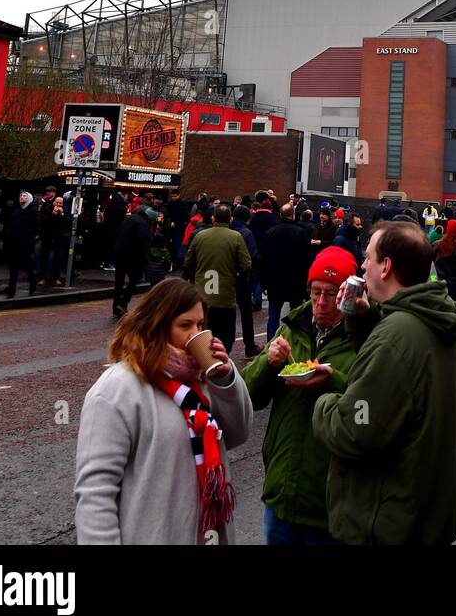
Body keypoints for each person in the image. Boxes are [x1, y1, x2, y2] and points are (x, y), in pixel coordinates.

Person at [311, 220, 456, 545]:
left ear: (386, 267)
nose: (363, 265)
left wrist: (323, 403)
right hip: (427, 513)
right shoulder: (437, 317)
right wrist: (364, 319)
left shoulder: (396, 336)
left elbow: (356, 429)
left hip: (387, 522)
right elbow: (405, 382)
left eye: (368, 257)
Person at [75, 278, 252, 545]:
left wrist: (224, 380)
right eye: (185, 325)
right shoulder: (115, 391)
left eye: (200, 325)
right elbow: (95, 493)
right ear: (157, 326)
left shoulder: (201, 379)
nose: (196, 334)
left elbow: (237, 434)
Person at [242, 247, 361, 544]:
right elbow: (248, 397)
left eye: (331, 294)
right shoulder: (291, 328)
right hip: (281, 493)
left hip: (329, 502)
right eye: (315, 292)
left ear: (347, 294)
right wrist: (269, 363)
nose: (321, 302)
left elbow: (368, 410)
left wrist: (331, 379)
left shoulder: (362, 338)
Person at [183, 204, 252, 353]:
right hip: (225, 296)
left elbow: (188, 263)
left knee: (204, 333)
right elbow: (246, 266)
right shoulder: (236, 237)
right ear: (230, 219)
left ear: (213, 218)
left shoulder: (200, 236)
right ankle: (221, 362)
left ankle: (205, 361)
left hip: (202, 296)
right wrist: (239, 278)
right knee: (226, 335)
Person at [260, 203, 311, 340]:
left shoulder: (270, 233)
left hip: (274, 281)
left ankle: (271, 343)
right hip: (295, 281)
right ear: (293, 215)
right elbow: (305, 258)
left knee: (273, 316)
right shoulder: (300, 233)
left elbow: (263, 259)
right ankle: (295, 342)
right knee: (296, 316)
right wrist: (306, 280)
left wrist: (263, 282)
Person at [112, 203, 154, 318]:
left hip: (119, 253)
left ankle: (115, 308)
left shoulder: (127, 218)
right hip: (133, 256)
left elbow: (117, 233)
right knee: (135, 279)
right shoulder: (144, 224)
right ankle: (123, 303)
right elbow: (142, 242)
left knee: (119, 281)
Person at [230, 203, 260, 359]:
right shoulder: (246, 233)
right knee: (246, 313)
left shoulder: (227, 230)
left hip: (225, 277)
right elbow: (252, 256)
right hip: (241, 278)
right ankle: (249, 346)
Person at [1, 191, 39, 299]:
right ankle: (11, 288)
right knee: (13, 266)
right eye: (21, 196)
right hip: (14, 242)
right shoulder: (17, 210)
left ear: (29, 198)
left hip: (25, 243)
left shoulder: (32, 211)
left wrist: (27, 236)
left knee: (27, 265)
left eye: (24, 196)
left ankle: (33, 282)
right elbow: (11, 224)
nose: (21, 197)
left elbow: (35, 227)